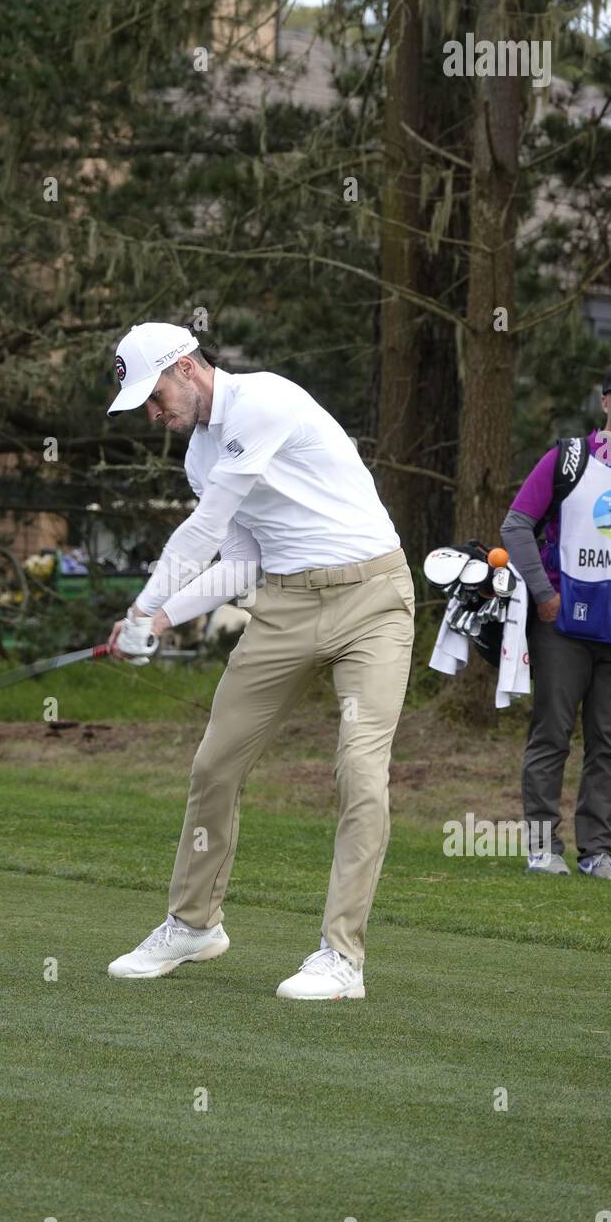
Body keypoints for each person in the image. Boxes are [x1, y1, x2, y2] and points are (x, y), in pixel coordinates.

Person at [103, 321, 415, 998]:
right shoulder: (197, 456)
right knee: (215, 763)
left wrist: (140, 606)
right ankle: (193, 924)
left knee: (360, 769)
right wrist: (158, 618)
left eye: (155, 396)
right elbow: (239, 560)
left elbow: (203, 531)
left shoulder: (264, 399)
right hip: (284, 606)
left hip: (373, 600)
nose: (154, 415)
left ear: (185, 367)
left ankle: (342, 958)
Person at [500, 357, 611, 881]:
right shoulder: (569, 458)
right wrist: (543, 593)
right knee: (551, 735)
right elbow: (516, 525)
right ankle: (541, 846)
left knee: (609, 743)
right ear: (604, 403)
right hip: (563, 625)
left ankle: (596, 850)